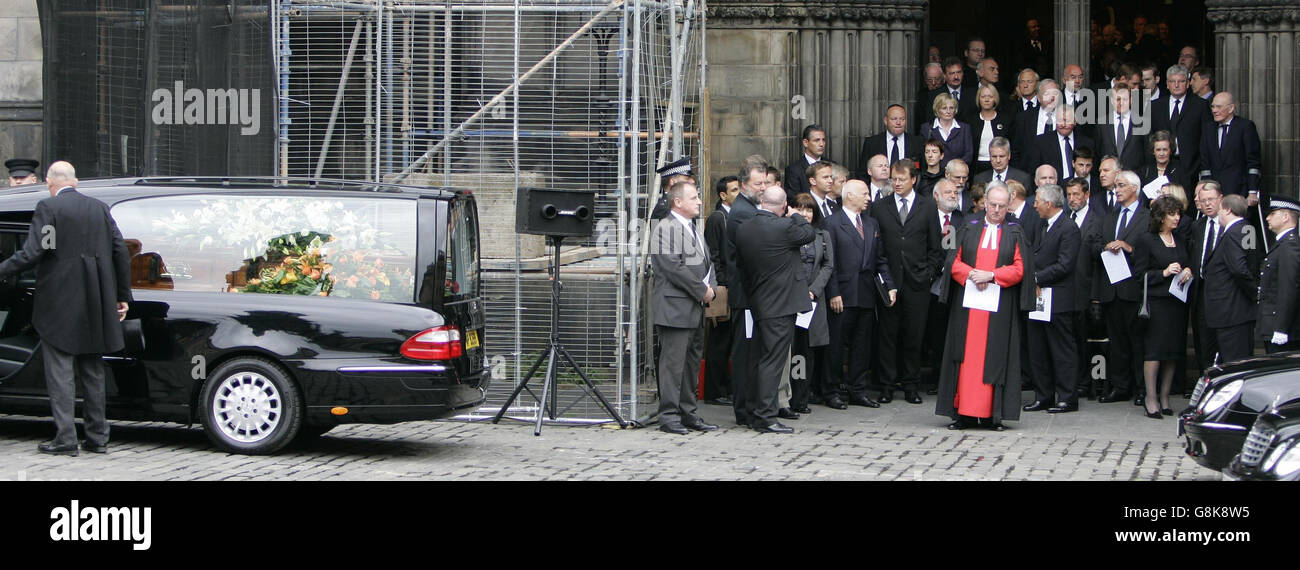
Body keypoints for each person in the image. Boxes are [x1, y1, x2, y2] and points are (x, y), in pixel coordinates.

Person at [0, 161, 132, 455]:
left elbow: (34, 251)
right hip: (97, 302)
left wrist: (3, 268)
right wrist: (122, 295)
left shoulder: (48, 208)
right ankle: (98, 437)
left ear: (50, 182)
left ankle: (65, 438)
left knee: (60, 372)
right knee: (92, 370)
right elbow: (119, 251)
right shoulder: (99, 208)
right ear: (75, 181)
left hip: (59, 304)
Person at [935, 182, 1035, 430]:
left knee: (995, 358)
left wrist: (991, 275)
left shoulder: (1015, 230)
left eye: (1002, 206)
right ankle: (963, 413)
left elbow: (1021, 268)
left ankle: (993, 414)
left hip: (999, 309)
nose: (997, 210)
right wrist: (972, 274)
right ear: (985, 203)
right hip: (968, 308)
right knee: (965, 358)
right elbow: (952, 260)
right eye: (993, 205)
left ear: (1008, 205)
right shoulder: (966, 225)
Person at [735, 186, 815, 434]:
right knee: (773, 361)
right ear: (782, 207)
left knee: (757, 359)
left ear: (761, 201)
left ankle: (752, 410)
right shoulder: (784, 226)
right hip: (781, 305)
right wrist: (795, 214)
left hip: (758, 301)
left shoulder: (744, 228)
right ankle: (766, 416)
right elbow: (808, 232)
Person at [650, 181, 719, 434]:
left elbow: (707, 263)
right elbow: (673, 267)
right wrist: (703, 291)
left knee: (691, 364)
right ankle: (668, 416)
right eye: (694, 198)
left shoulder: (693, 228)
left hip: (695, 308)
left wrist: (710, 286)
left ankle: (688, 413)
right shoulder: (663, 228)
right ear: (677, 202)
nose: (699, 201)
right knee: (673, 365)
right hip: (674, 309)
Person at [873, 160, 943, 404]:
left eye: (902, 179)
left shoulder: (927, 207)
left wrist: (928, 273)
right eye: (894, 178)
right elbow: (877, 246)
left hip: (917, 282)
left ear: (914, 179)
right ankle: (887, 385)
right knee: (888, 335)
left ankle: (912, 385)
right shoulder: (880, 207)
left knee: (914, 336)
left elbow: (936, 246)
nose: (897, 183)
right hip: (890, 282)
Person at [822, 180, 895, 409]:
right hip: (842, 293)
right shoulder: (831, 223)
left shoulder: (871, 223)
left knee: (861, 345)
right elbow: (829, 262)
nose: (868, 197)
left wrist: (889, 285)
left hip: (866, 293)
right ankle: (832, 390)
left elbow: (880, 258)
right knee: (835, 345)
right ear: (850, 195)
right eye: (864, 193)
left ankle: (858, 389)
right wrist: (833, 292)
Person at [1093, 171, 1149, 404]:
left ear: (1134, 188)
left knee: (1137, 341)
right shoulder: (1109, 217)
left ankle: (1141, 388)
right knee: (1117, 342)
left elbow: (1152, 248)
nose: (1116, 190)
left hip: (1133, 288)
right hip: (1111, 288)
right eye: (1115, 186)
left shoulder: (1146, 217)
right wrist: (1106, 246)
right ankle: (1120, 386)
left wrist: (1128, 247)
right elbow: (1093, 243)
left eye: (1121, 185)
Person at [1023, 184, 1080, 413]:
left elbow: (1065, 264)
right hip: (1038, 299)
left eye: (1037, 200)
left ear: (1049, 203)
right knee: (1038, 348)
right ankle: (1043, 395)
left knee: (1061, 349)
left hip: (1058, 298)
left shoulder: (1069, 228)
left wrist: (1036, 277)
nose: (1034, 205)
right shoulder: (1041, 225)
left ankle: (1067, 396)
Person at [1136, 196, 1192, 419]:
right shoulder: (1146, 240)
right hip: (1157, 303)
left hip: (1177, 303)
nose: (1177, 218)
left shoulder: (1179, 238)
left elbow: (1187, 262)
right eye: (1172, 214)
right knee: (1155, 351)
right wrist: (1164, 273)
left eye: (1178, 213)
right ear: (1161, 217)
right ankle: (1151, 398)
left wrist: (1187, 271)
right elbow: (1140, 275)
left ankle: (1166, 397)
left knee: (1172, 352)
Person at [724, 155, 770, 426]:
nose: (762, 187)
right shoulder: (743, 213)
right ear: (743, 185)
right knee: (746, 355)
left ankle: (748, 406)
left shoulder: (749, 208)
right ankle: (745, 409)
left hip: (751, 296)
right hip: (746, 298)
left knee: (752, 353)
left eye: (765, 182)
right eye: (757, 183)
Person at [788, 193, 834, 414]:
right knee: (792, 350)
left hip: (814, 302)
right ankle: (789, 396)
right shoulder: (787, 234)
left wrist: (814, 290)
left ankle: (802, 398)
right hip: (790, 299)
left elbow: (828, 265)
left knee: (807, 351)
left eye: (809, 210)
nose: (805, 213)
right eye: (800, 209)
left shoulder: (822, 235)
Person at [1203, 194, 1258, 363]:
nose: (1218, 214)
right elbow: (1251, 263)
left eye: (1220, 210)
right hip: (1239, 310)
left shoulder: (1233, 232)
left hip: (1231, 311)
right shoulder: (1247, 228)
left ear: (1227, 210)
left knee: (1234, 361)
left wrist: (1255, 293)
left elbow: (1240, 269)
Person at [923, 178, 965, 394]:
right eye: (948, 191)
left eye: (956, 192)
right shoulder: (926, 216)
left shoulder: (963, 220)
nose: (953, 194)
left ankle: (950, 379)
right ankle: (934, 376)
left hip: (954, 286)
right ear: (936, 195)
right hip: (928, 286)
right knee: (933, 333)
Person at [1065, 177, 1105, 397]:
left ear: (1087, 195)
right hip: (1065, 289)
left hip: (1085, 290)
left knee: (1085, 341)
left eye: (1076, 194)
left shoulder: (1097, 221)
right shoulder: (1063, 217)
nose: (1072, 199)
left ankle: (1087, 383)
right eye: (1069, 194)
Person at [702, 175, 739, 406]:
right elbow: (713, 254)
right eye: (734, 190)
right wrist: (720, 284)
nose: (738, 192)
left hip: (732, 285)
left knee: (729, 340)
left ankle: (726, 386)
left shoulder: (734, 217)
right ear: (723, 195)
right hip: (723, 288)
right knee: (719, 340)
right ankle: (715, 390)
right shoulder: (718, 218)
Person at [1199, 92, 1263, 205]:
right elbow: (1205, 162)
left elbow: (1253, 161)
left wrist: (1252, 191)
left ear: (1231, 108)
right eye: (1213, 106)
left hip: (1239, 190)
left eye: (1218, 107)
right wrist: (1205, 189)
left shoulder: (1245, 127)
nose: (1214, 110)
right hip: (1214, 193)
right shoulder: (1208, 128)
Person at [1187, 180, 1224, 377]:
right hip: (1201, 293)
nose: (1207, 204)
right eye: (1203, 201)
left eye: (1211, 199)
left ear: (1220, 199)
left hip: (1223, 295)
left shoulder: (1231, 226)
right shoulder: (1198, 226)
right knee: (1203, 343)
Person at [1151, 64, 1211, 179]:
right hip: (1162, 167)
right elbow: (1151, 136)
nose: (1176, 85)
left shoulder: (1200, 105)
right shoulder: (1156, 106)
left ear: (1188, 84)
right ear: (1167, 84)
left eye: (1181, 81)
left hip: (1191, 168)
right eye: (1172, 81)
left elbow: (1206, 138)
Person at [1257, 198, 1300, 353]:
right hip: (1272, 323)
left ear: (1285, 217)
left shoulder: (1290, 246)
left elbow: (1288, 289)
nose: (1268, 217)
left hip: (1281, 327)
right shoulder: (1282, 245)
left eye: (1273, 213)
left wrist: (1281, 327)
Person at [857, 104, 922, 181]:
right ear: (885, 120)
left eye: (902, 119)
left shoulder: (917, 142)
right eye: (894, 119)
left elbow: (921, 171)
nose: (898, 122)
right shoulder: (872, 143)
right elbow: (863, 172)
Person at [1029, 106, 1094, 182]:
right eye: (1060, 120)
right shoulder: (1041, 142)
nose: (1063, 124)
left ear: (1075, 121)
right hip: (1052, 188)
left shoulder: (1087, 142)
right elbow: (1033, 172)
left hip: (1080, 188)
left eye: (1067, 121)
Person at [1012, 80, 1061, 171]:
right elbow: (1016, 150)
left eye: (1055, 93)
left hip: (1058, 172)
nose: (1052, 98)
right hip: (1029, 172)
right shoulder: (1024, 118)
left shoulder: (1065, 117)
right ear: (1038, 97)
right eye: (1047, 94)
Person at [963, 84, 1012, 175]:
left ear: (995, 99)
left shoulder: (1005, 120)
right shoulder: (970, 121)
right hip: (976, 166)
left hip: (999, 164)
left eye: (990, 96)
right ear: (978, 99)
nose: (986, 99)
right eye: (983, 96)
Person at [920, 93, 973, 169]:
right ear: (937, 109)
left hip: (957, 174)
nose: (948, 111)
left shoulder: (964, 128)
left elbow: (968, 155)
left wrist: (953, 168)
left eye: (951, 108)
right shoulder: (926, 128)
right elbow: (923, 154)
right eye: (944, 108)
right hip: (934, 174)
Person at [1100, 86, 1147, 172]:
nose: (1121, 103)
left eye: (1125, 99)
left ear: (1131, 100)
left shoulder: (1141, 123)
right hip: (1109, 178)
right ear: (1111, 101)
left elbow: (1147, 154)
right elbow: (1098, 152)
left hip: (1135, 176)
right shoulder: (1102, 123)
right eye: (1117, 99)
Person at [786, 124, 828, 202]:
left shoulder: (832, 165)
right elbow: (794, 200)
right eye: (817, 140)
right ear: (805, 142)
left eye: (824, 140)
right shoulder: (794, 170)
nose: (822, 144)